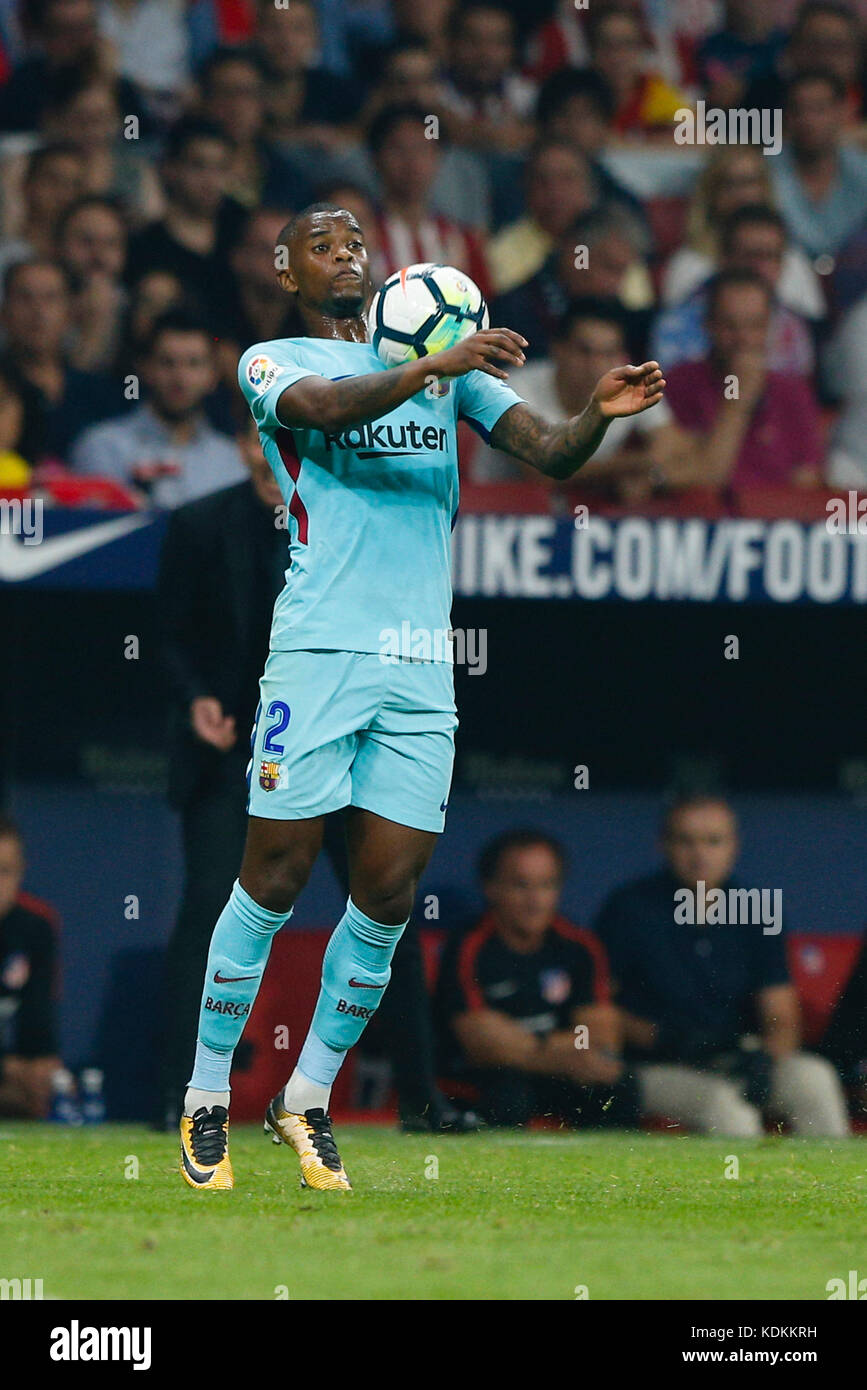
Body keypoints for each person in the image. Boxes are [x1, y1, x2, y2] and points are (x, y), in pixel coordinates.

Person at [178, 199, 666, 1193]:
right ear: (285, 270)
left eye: (357, 239)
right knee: (272, 875)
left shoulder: (446, 368)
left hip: (419, 663)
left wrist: (594, 420)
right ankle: (202, 1095)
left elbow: (548, 446)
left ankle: (307, 1096)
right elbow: (325, 414)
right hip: (316, 648)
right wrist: (433, 368)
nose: (345, 253)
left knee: (390, 890)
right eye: (321, 243)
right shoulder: (272, 362)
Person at [595, 796, 851, 1137]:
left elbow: (782, 1014)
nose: (700, 854)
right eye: (686, 841)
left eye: (713, 841)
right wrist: (667, 1038)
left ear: (734, 846)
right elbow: (597, 1009)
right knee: (726, 1107)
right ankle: (752, 1193)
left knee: (814, 1078)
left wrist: (766, 1059)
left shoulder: (757, 908)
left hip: (736, 1058)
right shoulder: (630, 908)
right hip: (658, 1064)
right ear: (663, 845)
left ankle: (835, 1192)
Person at [435, 830, 639, 1129]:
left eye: (547, 885)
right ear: (490, 888)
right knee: (510, 1094)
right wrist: (561, 1049)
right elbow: (484, 1044)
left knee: (615, 1086)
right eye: (521, 885)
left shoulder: (580, 946)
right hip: (484, 1077)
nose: (535, 900)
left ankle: (606, 1176)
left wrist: (532, 1046)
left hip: (559, 1074)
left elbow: (602, 1038)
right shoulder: (468, 946)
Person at [471, 297, 693, 500]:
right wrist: (627, 468)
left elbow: (677, 451)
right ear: (558, 349)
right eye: (584, 352)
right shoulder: (514, 388)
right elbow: (543, 470)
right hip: (499, 515)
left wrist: (653, 479)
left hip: (581, 521)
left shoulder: (631, 386)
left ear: (622, 357)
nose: (596, 366)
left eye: (608, 354)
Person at [663, 269, 824, 490]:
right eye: (730, 326)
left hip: (774, 517)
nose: (743, 339)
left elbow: (807, 482)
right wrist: (737, 396)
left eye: (755, 325)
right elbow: (699, 481)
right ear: (708, 325)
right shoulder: (679, 385)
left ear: (769, 327)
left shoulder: (792, 392)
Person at [70, 310, 245, 505]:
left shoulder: (233, 462)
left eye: (193, 364)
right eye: (167, 363)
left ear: (213, 376)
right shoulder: (103, 447)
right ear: (145, 369)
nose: (180, 378)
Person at [653, 205, 818, 377]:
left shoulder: (793, 325)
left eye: (770, 256)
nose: (760, 267)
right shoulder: (675, 324)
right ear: (724, 258)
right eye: (751, 255)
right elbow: (673, 396)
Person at [126, 117, 248, 330]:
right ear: (170, 169)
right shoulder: (147, 244)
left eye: (220, 168)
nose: (210, 180)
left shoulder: (244, 228)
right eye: (198, 166)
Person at [0, 258, 120, 464]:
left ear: (70, 313)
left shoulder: (100, 391)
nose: (38, 311)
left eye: (50, 298)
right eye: (24, 298)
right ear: (4, 312)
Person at [368, 103, 491, 299]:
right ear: (375, 158)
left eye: (422, 149)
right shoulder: (362, 239)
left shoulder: (462, 241)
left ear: (438, 157)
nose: (411, 162)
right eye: (398, 149)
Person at [0, 815, 60, 1119]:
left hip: (15, 1072)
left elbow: (38, 1011)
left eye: (4, 872)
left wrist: (41, 1064)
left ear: (20, 873)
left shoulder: (36, 925)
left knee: (38, 1086)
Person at [771, 70, 867, 260]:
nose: (808, 120)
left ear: (843, 111)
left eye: (819, 109)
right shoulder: (763, 172)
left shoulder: (863, 172)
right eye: (798, 109)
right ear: (786, 115)